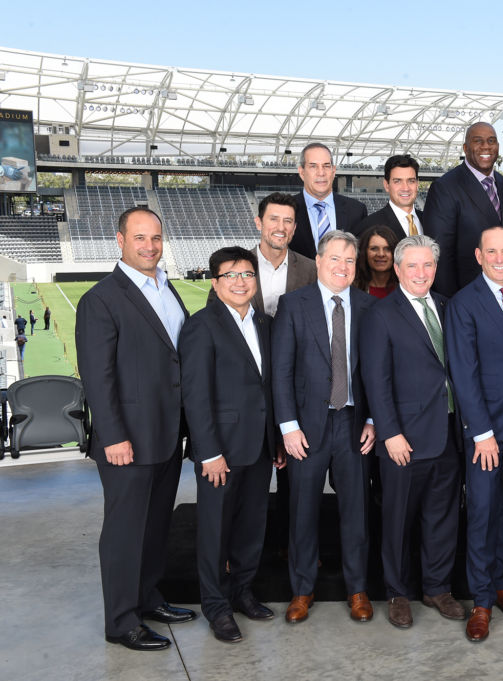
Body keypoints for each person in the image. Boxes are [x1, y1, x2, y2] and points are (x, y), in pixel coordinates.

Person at [76, 206, 196, 651]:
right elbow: (98, 376)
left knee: (156, 525)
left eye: (156, 238)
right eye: (140, 237)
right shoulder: (101, 299)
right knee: (125, 532)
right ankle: (122, 621)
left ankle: (148, 597)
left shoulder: (167, 287)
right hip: (127, 438)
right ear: (120, 240)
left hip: (166, 433)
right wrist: (113, 436)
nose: (150, 246)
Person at [271, 230, 377, 625]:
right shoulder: (293, 305)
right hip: (306, 427)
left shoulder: (368, 306)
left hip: (353, 424)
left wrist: (373, 419)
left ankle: (357, 588)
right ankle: (302, 589)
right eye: (335, 258)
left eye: (349, 260)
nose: (342, 267)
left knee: (356, 512)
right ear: (318, 261)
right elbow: (281, 371)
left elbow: (376, 371)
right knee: (302, 511)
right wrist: (288, 427)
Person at [360, 235, 465, 630]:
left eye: (428, 265)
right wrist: (389, 433)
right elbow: (376, 379)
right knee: (398, 519)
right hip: (404, 438)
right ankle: (397, 592)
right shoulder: (381, 314)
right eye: (413, 265)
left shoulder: (448, 306)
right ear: (398, 269)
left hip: (448, 432)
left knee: (442, 516)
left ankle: (437, 587)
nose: (421, 273)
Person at [179, 247, 280, 644]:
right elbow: (196, 395)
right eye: (231, 275)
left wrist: (275, 439)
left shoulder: (265, 323)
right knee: (215, 531)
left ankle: (243, 593)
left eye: (247, 274)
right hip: (220, 450)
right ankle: (216, 606)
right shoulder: (201, 326)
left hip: (259, 445)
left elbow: (268, 386)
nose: (240, 282)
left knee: (251, 527)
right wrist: (209, 452)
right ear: (215, 282)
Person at [446, 227, 503, 642]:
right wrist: (481, 432)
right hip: (486, 432)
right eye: (491, 251)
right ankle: (481, 600)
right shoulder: (464, 302)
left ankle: (501, 584)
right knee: (482, 513)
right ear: (478, 256)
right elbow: (463, 373)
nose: (499, 258)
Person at [424, 122, 503, 296]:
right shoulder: (445, 187)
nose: (486, 146)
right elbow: (440, 255)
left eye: (491, 141)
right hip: (466, 296)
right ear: (466, 148)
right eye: (478, 141)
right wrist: (452, 303)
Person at [206, 192, 317, 316]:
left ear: (294, 228)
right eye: (273, 219)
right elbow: (212, 316)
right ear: (259, 223)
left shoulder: (312, 270)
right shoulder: (230, 267)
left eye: (288, 221)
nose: (281, 228)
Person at [290, 143, 368, 259]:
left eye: (326, 166)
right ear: (302, 172)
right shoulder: (288, 209)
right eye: (313, 166)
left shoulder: (356, 211)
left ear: (333, 171)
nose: (321, 173)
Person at [354, 154, 425, 238]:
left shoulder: (430, 221)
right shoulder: (368, 226)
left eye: (411, 181)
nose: (405, 188)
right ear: (386, 185)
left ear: (417, 184)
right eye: (397, 181)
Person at [353, 225, 400, 298]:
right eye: (374, 248)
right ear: (364, 252)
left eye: (387, 249)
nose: (381, 254)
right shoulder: (352, 289)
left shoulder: (407, 287)